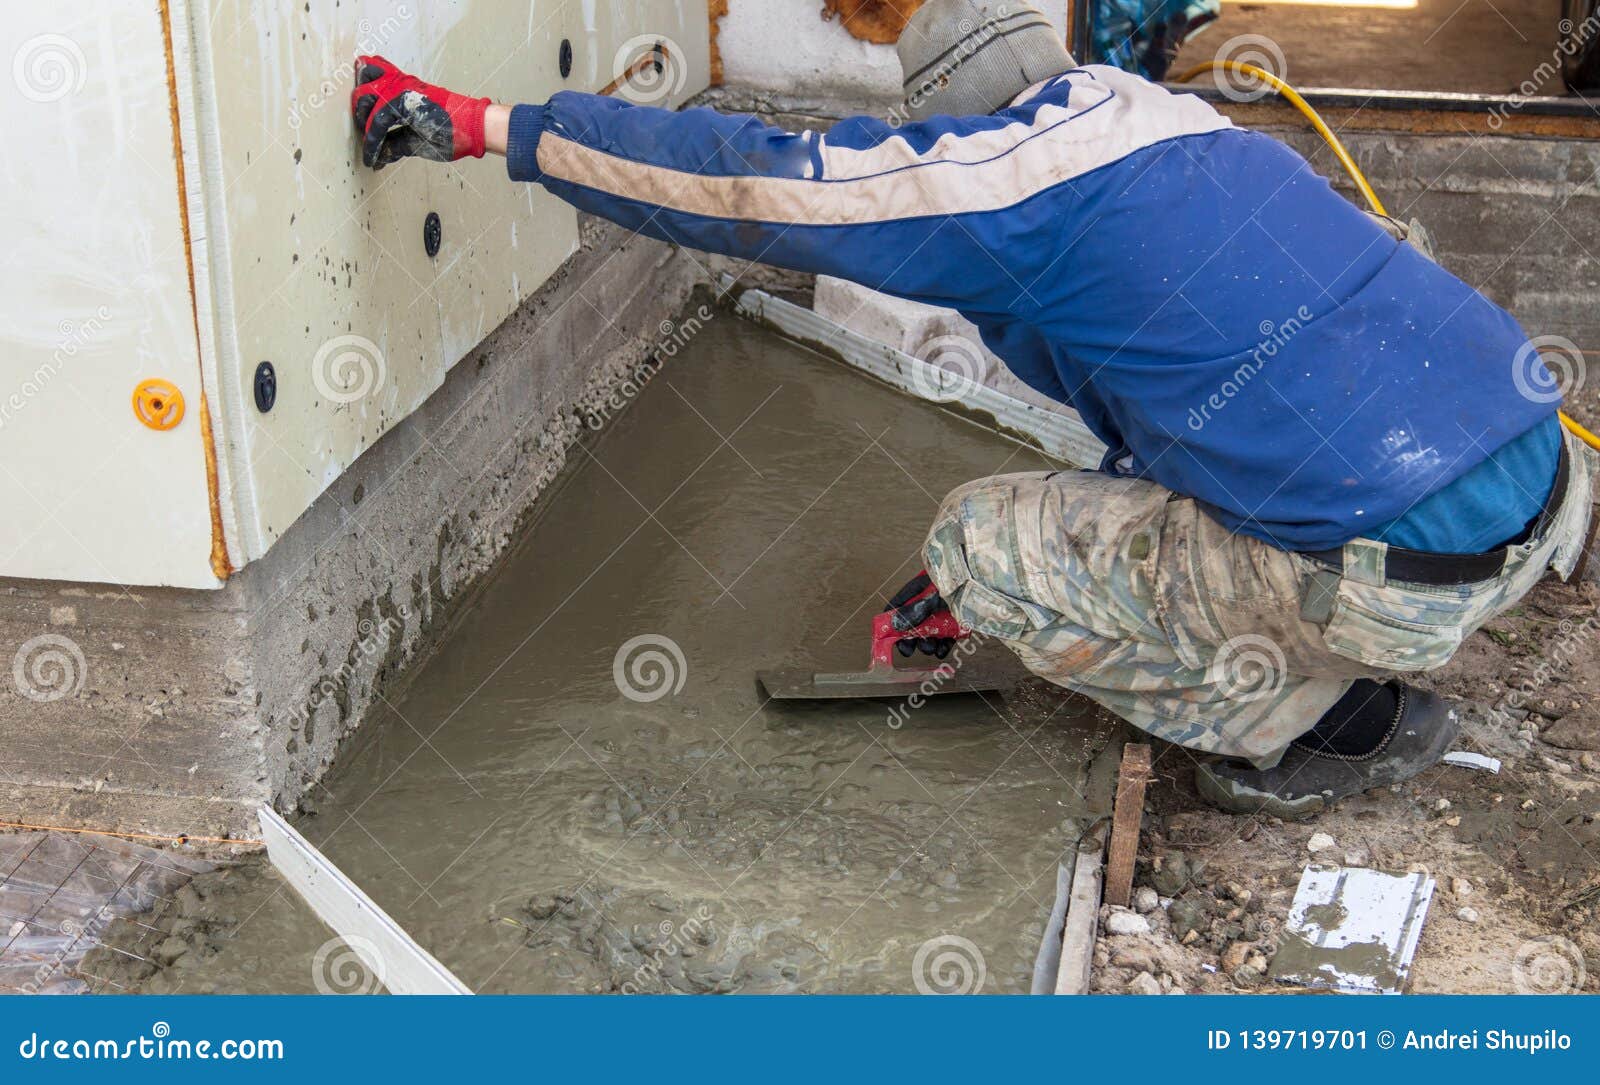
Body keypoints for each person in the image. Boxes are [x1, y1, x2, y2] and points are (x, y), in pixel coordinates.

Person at [350, 0, 1594, 819]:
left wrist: (489, 128)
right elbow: (1174, 372)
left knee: (975, 540)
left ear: (948, 103)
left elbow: (740, 186)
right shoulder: (1181, 125)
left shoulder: (1000, 182)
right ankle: (1338, 637)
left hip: (1404, 574)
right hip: (1540, 487)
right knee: (1187, 453)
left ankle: (1331, 722)